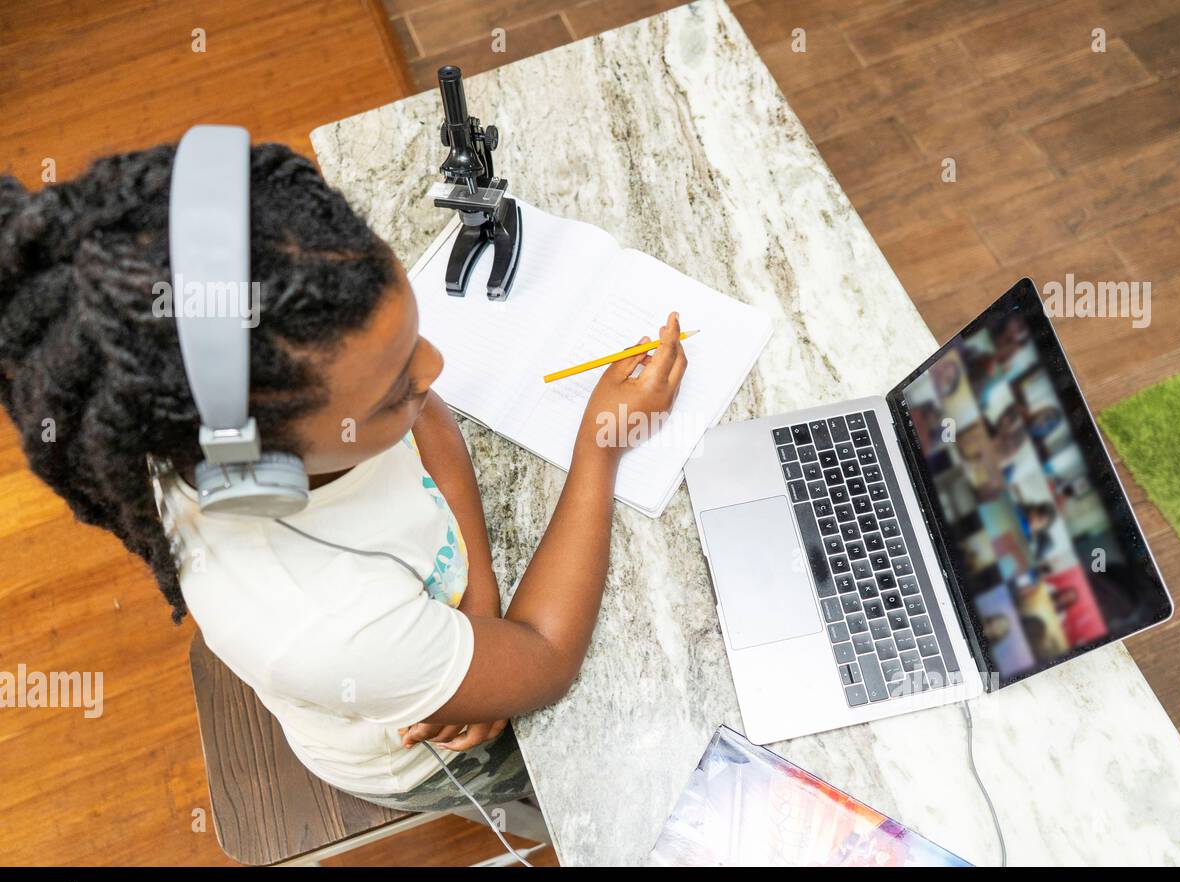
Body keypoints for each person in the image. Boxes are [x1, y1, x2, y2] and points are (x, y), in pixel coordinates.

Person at [0, 143, 686, 811]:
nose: (435, 367)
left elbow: (429, 418)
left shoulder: (281, 389)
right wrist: (599, 445)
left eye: (410, 339)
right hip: (428, 748)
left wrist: (477, 612)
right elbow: (545, 657)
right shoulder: (325, 626)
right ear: (259, 460)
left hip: (448, 644)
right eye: (393, 389)